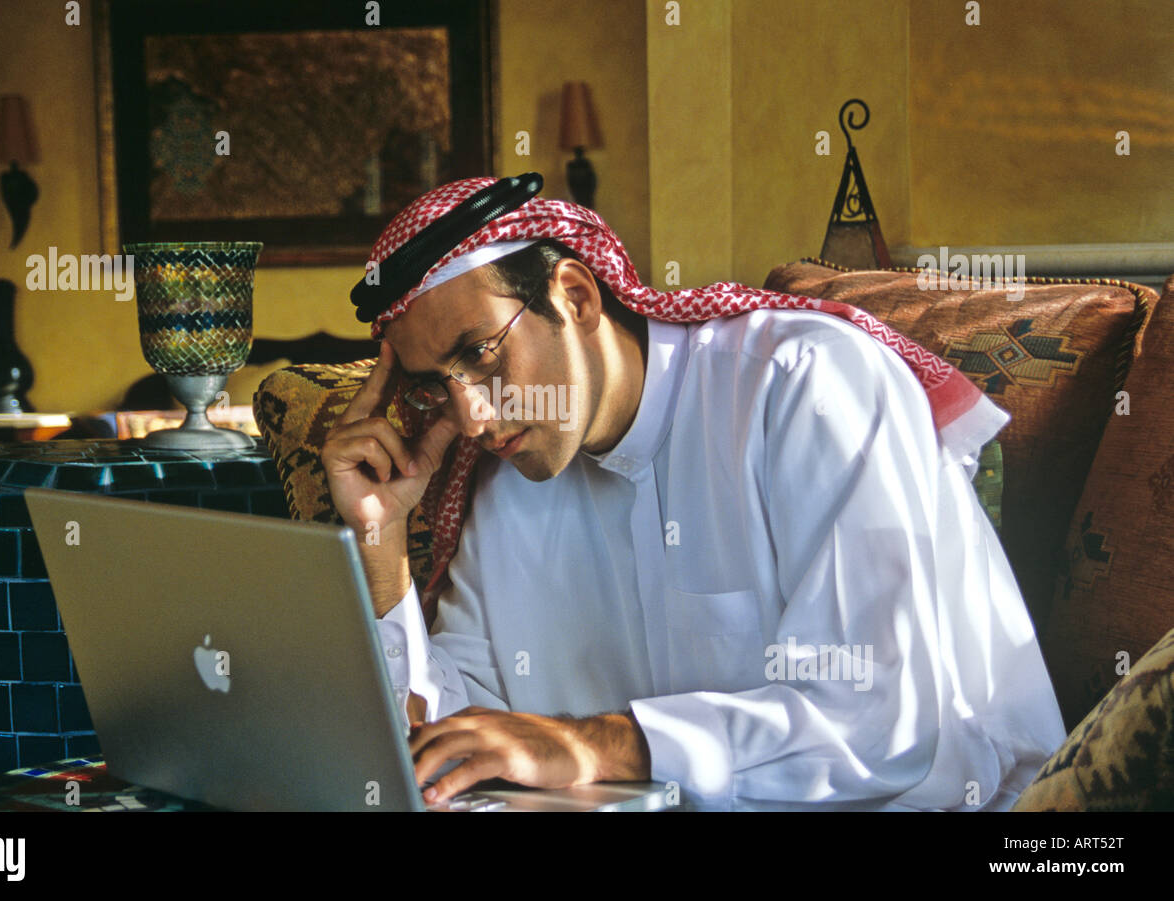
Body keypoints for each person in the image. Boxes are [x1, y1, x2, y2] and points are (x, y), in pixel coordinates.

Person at [321, 173, 1066, 811]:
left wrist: (593, 748)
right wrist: (379, 546)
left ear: (575, 296)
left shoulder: (804, 385)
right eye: (438, 387)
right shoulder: (509, 477)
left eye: (481, 356)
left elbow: (881, 722)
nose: (473, 417)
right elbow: (457, 737)